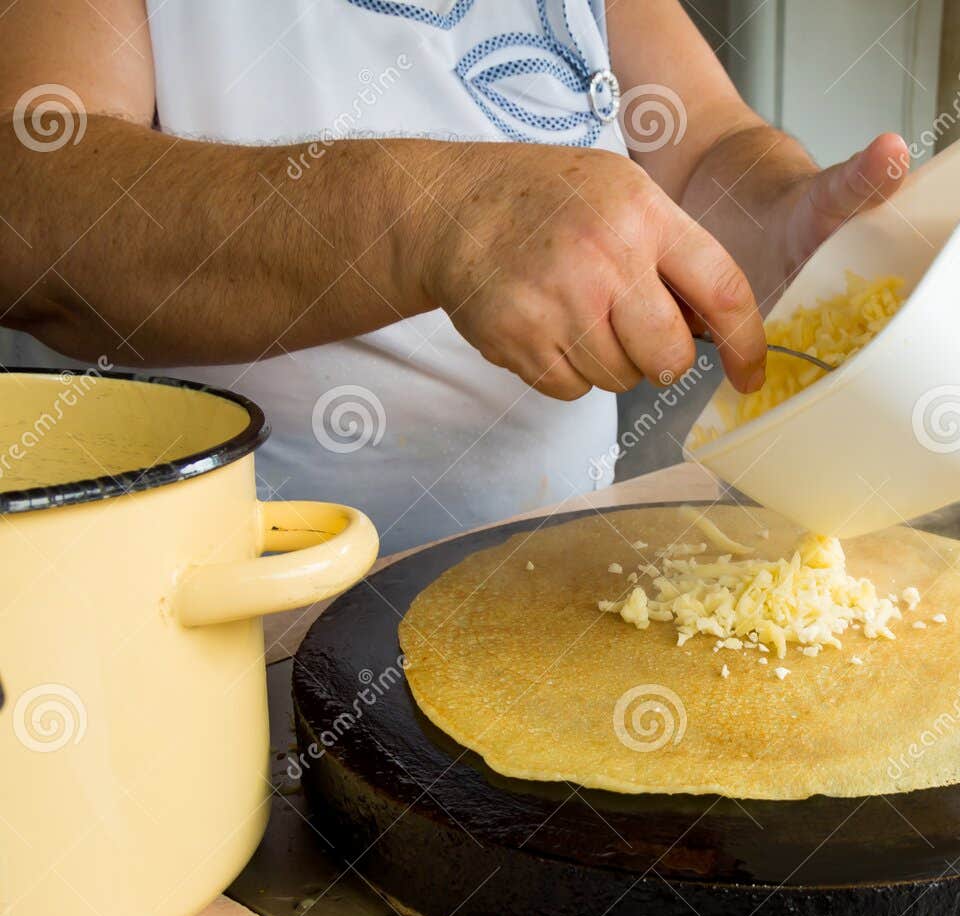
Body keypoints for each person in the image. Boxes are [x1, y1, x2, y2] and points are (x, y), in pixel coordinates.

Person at [0, 1, 909, 551]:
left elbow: (702, 145)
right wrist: (433, 216)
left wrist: (780, 213)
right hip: (241, 623)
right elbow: (33, 219)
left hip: (557, 586)